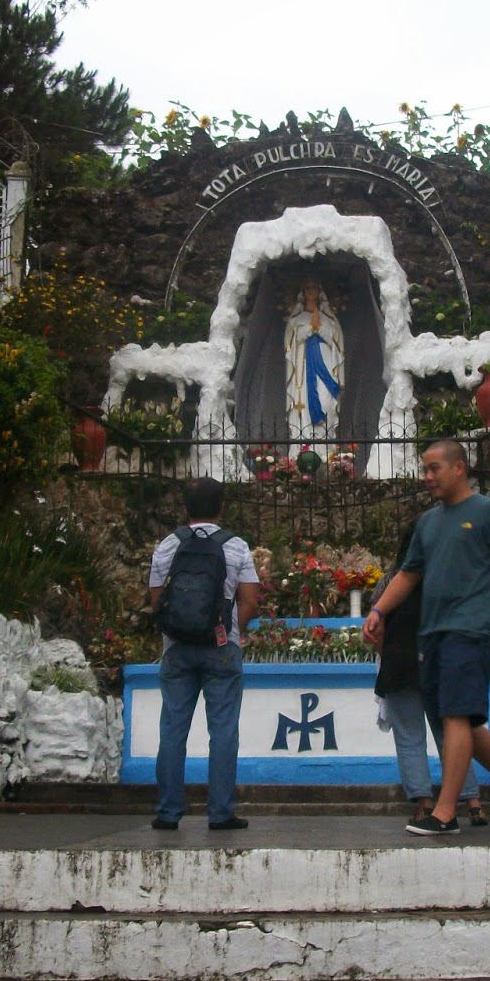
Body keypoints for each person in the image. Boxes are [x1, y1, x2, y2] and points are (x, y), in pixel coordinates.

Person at [362, 439, 490, 836]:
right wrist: (378, 611)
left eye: (434, 468)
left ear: (459, 468)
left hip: (471, 630)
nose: (427, 477)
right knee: (461, 721)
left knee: (456, 716)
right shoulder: (428, 523)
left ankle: (444, 813)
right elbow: (408, 574)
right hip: (431, 635)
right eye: (424, 469)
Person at [147, 477, 261, 830]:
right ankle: (221, 812)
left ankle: (168, 812)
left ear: (186, 507)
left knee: (172, 729)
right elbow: (250, 600)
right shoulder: (236, 547)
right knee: (223, 730)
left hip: (177, 649)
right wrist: (226, 632)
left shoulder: (167, 545)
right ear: (221, 507)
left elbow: (156, 600)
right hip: (221, 649)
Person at [372, 522, 489, 828]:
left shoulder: (389, 583)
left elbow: (377, 630)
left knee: (409, 737)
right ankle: (473, 802)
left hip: (400, 666)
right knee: (452, 734)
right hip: (440, 665)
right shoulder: (451, 581)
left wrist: (386, 656)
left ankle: (424, 804)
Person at [283, 278, 344, 457]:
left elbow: (337, 344)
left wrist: (319, 328)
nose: (311, 291)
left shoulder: (329, 319)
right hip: (303, 372)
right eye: (308, 288)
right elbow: (290, 345)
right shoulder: (296, 319)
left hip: (325, 368)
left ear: (320, 291)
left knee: (326, 404)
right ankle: (304, 451)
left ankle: (326, 452)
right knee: (303, 410)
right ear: (302, 292)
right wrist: (310, 327)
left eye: (314, 287)